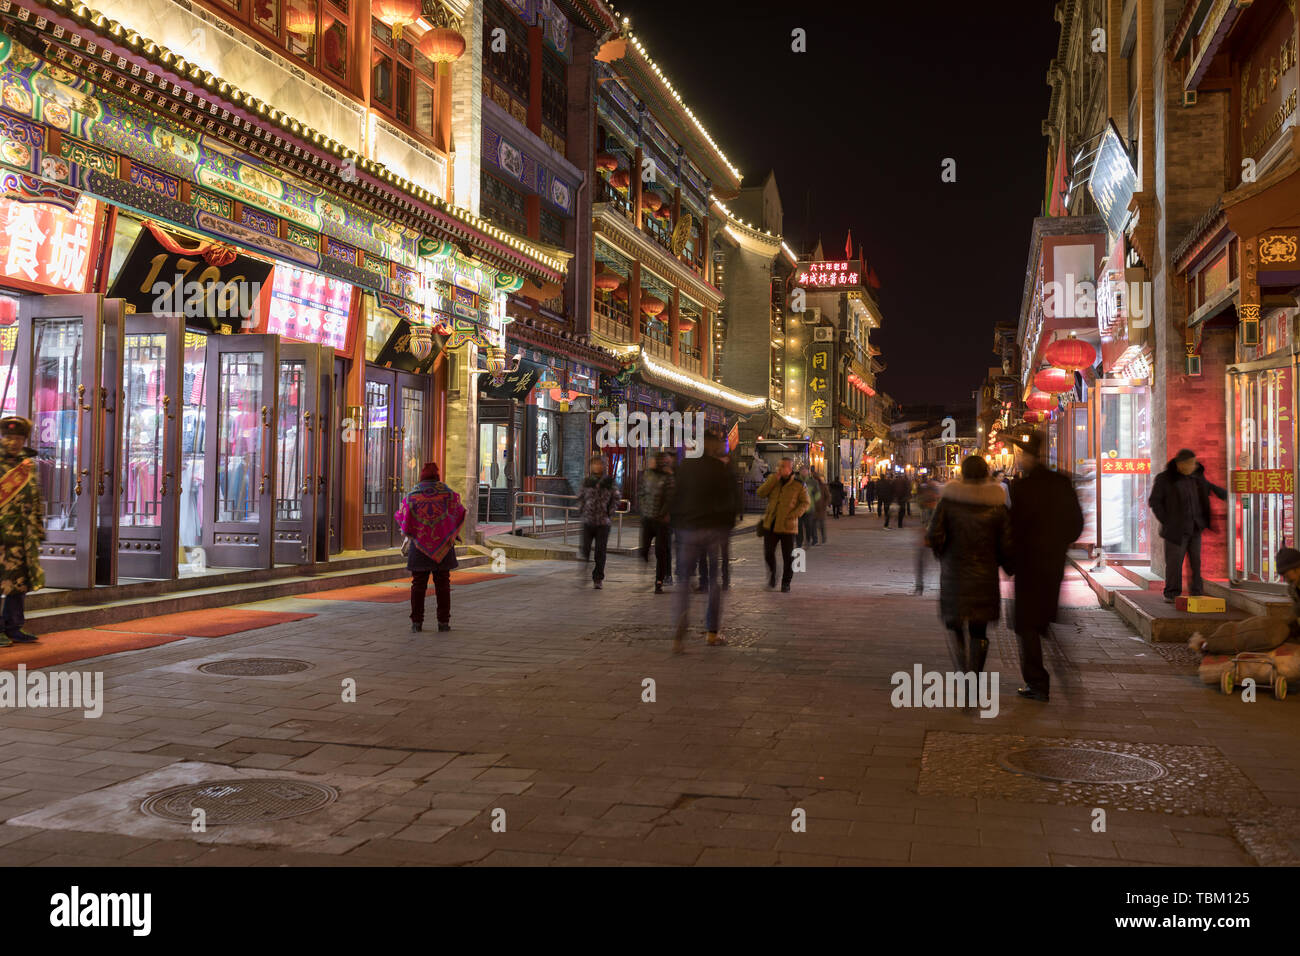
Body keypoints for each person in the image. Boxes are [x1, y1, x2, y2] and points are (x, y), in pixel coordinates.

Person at [1008, 431, 1083, 702]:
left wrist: (1009, 562)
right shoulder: (1062, 482)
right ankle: (1050, 668)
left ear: (1030, 457)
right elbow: (1077, 524)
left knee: (1026, 624)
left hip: (1028, 565)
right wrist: (1059, 545)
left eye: (1020, 456)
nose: (1019, 461)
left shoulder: (1022, 488)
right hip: (1053, 564)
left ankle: (1037, 682)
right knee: (1041, 617)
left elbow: (1013, 529)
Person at [927, 455, 1013, 677]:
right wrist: (1007, 565)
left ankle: (963, 666)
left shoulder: (949, 501)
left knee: (955, 623)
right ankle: (974, 676)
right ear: (986, 473)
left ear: (962, 473)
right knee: (979, 629)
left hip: (954, 572)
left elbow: (934, 535)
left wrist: (943, 555)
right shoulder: (996, 505)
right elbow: (1007, 543)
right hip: (985, 575)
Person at [670, 431, 737, 651]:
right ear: (713, 446)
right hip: (713, 529)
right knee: (713, 580)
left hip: (688, 528)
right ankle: (712, 632)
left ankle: (680, 631)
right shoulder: (720, 469)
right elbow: (731, 499)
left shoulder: (686, 467)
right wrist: (727, 525)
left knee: (683, 580)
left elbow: (676, 497)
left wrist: (676, 525)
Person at [1148, 448, 1228, 603]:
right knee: (1174, 563)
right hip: (1175, 530)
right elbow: (1155, 501)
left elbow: (1209, 487)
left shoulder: (1196, 476)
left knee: (1196, 562)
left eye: (1194, 463)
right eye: (1191, 464)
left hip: (1195, 527)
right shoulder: (1165, 479)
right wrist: (1167, 521)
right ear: (1180, 464)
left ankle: (1197, 592)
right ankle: (1172, 593)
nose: (1194, 466)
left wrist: (1226, 494)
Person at [395, 462, 466, 633]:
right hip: (443, 546)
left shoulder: (413, 495)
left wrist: (411, 531)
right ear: (437, 476)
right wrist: (451, 533)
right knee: (443, 584)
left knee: (418, 585)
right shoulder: (448, 494)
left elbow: (403, 516)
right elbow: (460, 512)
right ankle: (443, 622)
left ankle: (416, 622)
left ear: (422, 476)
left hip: (419, 546)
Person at [0, 417, 43, 646]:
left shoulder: (27, 466)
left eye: (18, 438)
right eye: (9, 438)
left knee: (19, 582)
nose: (14, 442)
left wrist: (38, 529)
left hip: (22, 536)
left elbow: (35, 499)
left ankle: (14, 627)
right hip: (1, 535)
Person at [757, 457, 810, 592]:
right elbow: (760, 493)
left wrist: (794, 515)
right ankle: (773, 576)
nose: (779, 469)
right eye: (778, 466)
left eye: (782, 466)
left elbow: (805, 503)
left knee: (788, 556)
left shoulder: (798, 485)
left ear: (790, 468)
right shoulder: (772, 480)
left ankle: (786, 582)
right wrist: (773, 480)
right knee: (768, 553)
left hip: (788, 526)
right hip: (771, 524)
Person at [577, 453, 619, 589]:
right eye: (594, 464)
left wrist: (609, 513)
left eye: (599, 464)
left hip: (603, 522)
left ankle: (598, 577)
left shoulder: (609, 482)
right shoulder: (587, 481)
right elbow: (581, 497)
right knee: (585, 549)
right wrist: (582, 510)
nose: (597, 466)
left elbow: (615, 499)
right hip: (588, 520)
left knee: (600, 551)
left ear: (604, 466)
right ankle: (584, 571)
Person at [638, 451, 674, 594]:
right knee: (644, 549)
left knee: (661, 551)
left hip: (661, 521)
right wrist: (643, 508)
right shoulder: (647, 475)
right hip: (647, 518)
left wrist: (663, 513)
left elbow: (670, 498)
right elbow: (641, 493)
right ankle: (646, 558)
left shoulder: (668, 478)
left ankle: (659, 581)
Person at [914, 476, 942, 595]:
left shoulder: (939, 506)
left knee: (941, 561)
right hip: (928, 534)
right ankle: (919, 585)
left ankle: (920, 585)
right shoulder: (926, 504)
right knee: (922, 560)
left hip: (936, 535)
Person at [812, 471, 830, 544]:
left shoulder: (823, 486)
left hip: (821, 508)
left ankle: (823, 537)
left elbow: (828, 496)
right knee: (813, 524)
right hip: (812, 508)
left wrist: (825, 504)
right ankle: (815, 539)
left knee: (821, 524)